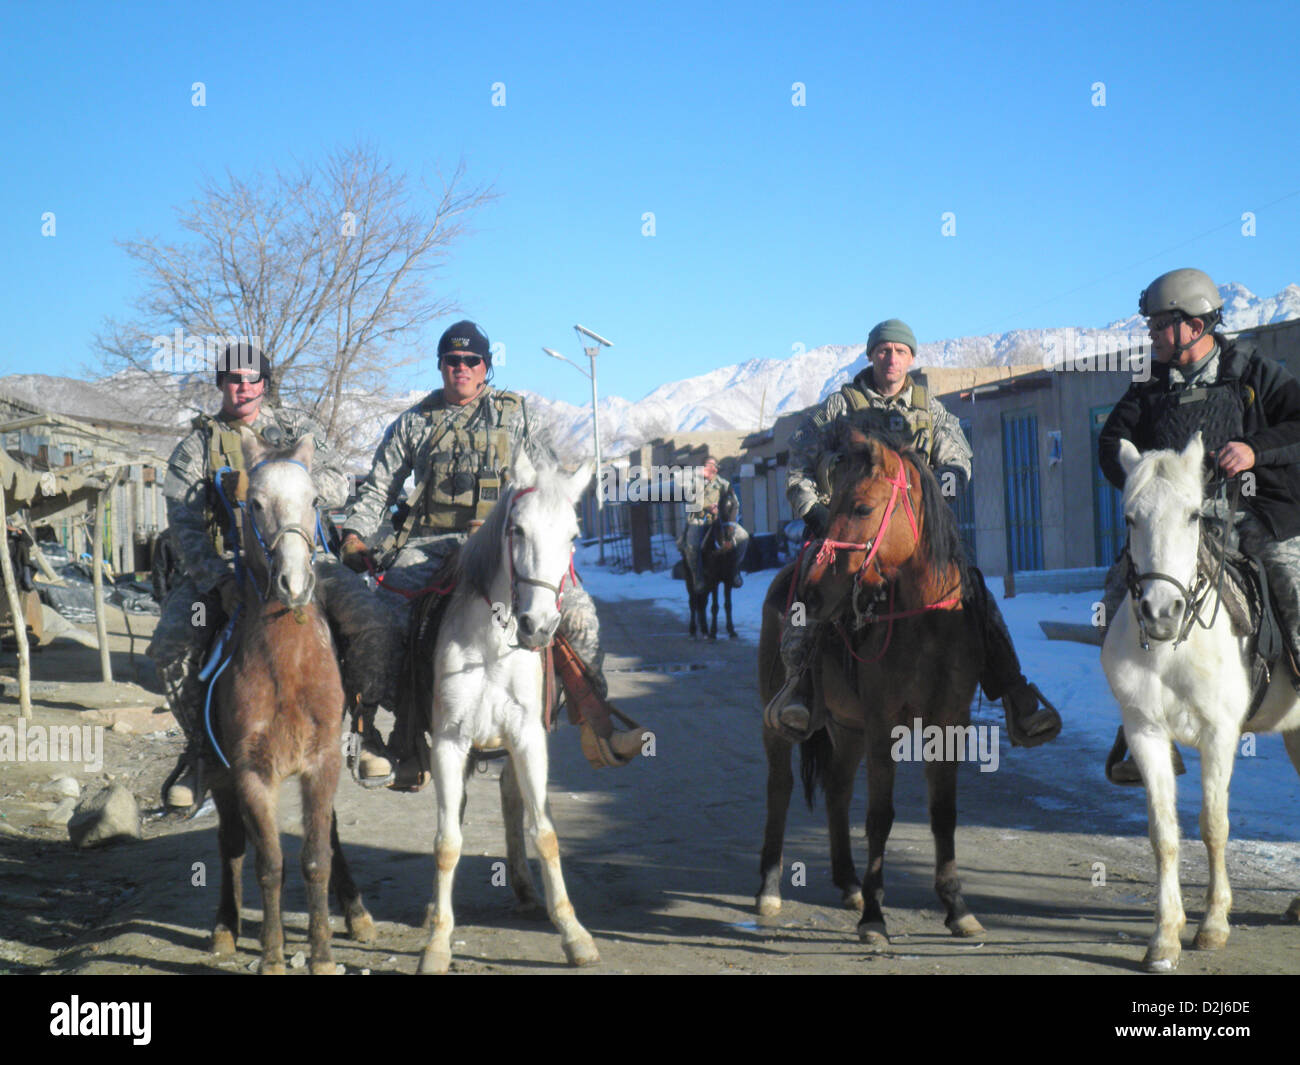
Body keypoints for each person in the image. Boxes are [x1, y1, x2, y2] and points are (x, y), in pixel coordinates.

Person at [339, 320, 649, 783]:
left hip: (508, 544)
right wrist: (355, 533)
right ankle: (389, 740)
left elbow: (548, 479)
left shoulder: (518, 415)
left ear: (486, 366)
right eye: (452, 360)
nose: (461, 368)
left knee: (579, 613)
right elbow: (378, 487)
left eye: (471, 361)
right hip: (429, 545)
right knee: (383, 622)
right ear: (441, 365)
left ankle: (594, 727)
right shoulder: (414, 422)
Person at [765, 318, 1062, 747]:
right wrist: (817, 513)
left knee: (973, 589)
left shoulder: (929, 408)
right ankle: (800, 688)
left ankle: (1016, 693)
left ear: (912, 358)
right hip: (852, 533)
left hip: (915, 539)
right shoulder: (839, 407)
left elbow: (958, 457)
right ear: (871, 356)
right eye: (884, 350)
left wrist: (946, 489)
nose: (892, 358)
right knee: (810, 589)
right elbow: (800, 464)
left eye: (901, 351)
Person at [148, 341, 400, 809]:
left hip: (303, 557)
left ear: (264, 383)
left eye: (252, 378)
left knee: (374, 620)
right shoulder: (195, 447)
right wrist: (216, 582)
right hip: (223, 568)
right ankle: (201, 755)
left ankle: (363, 733)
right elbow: (183, 526)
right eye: (233, 379)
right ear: (221, 383)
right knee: (174, 641)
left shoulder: (296, 429)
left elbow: (338, 482)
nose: (243, 387)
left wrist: (285, 476)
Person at [1098, 267, 1300, 784]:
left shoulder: (1250, 369)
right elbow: (1110, 442)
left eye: (1158, 325)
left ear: (1192, 324)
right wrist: (1145, 473)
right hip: (1178, 522)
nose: (1150, 335)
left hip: (1253, 511)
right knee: (1120, 591)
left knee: (1286, 578)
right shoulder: (1148, 381)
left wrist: (1256, 449)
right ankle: (1137, 725)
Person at [677, 456, 748, 590]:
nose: (712, 469)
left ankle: (734, 571)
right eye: (708, 466)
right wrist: (706, 507)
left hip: (721, 520)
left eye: (714, 466)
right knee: (692, 546)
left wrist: (729, 516)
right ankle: (697, 578)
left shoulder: (723, 484)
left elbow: (735, 503)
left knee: (743, 537)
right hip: (699, 520)